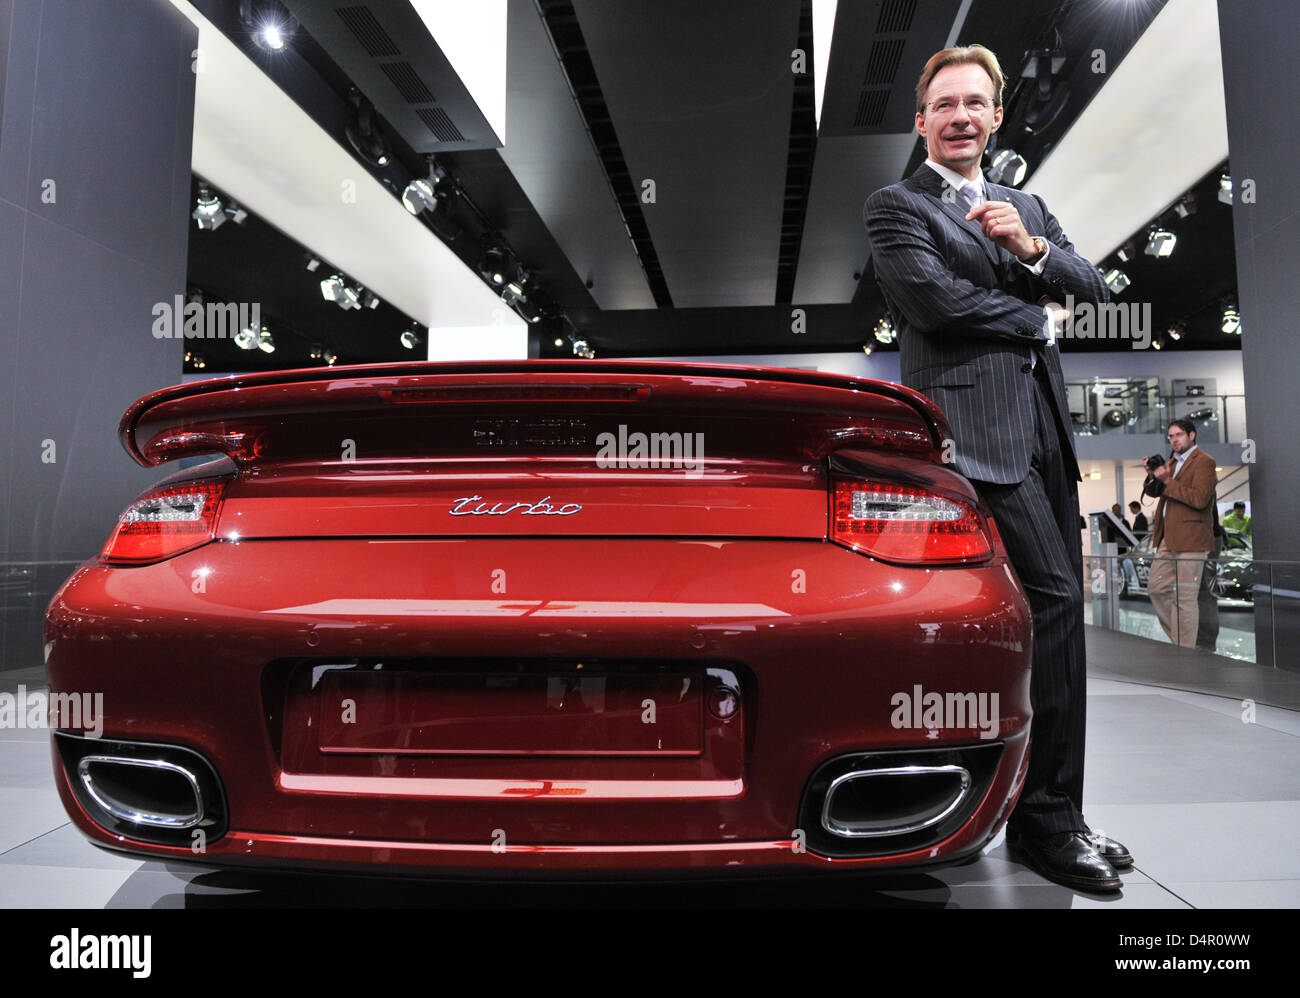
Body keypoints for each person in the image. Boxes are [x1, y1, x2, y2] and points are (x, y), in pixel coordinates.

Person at [863, 43, 1129, 892]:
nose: (960, 117)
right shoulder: (896, 207)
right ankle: (1041, 820)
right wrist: (1036, 315)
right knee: (1042, 604)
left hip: (1046, 432)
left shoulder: (1026, 204)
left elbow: (1093, 285)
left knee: (1060, 612)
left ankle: (1054, 811)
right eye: (944, 105)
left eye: (975, 104)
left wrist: (1034, 252)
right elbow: (932, 304)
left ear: (996, 117)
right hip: (971, 438)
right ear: (922, 120)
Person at [1145, 418, 1218, 647]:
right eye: (1171, 436)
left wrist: (1167, 480)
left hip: (1193, 540)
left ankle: (1184, 653)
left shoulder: (1204, 462)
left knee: (1185, 599)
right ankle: (1182, 644)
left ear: (1192, 435)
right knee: (1156, 589)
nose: (1174, 440)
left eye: (1178, 435)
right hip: (1168, 538)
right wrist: (1153, 475)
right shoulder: (1173, 463)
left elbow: (1199, 499)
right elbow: (1155, 494)